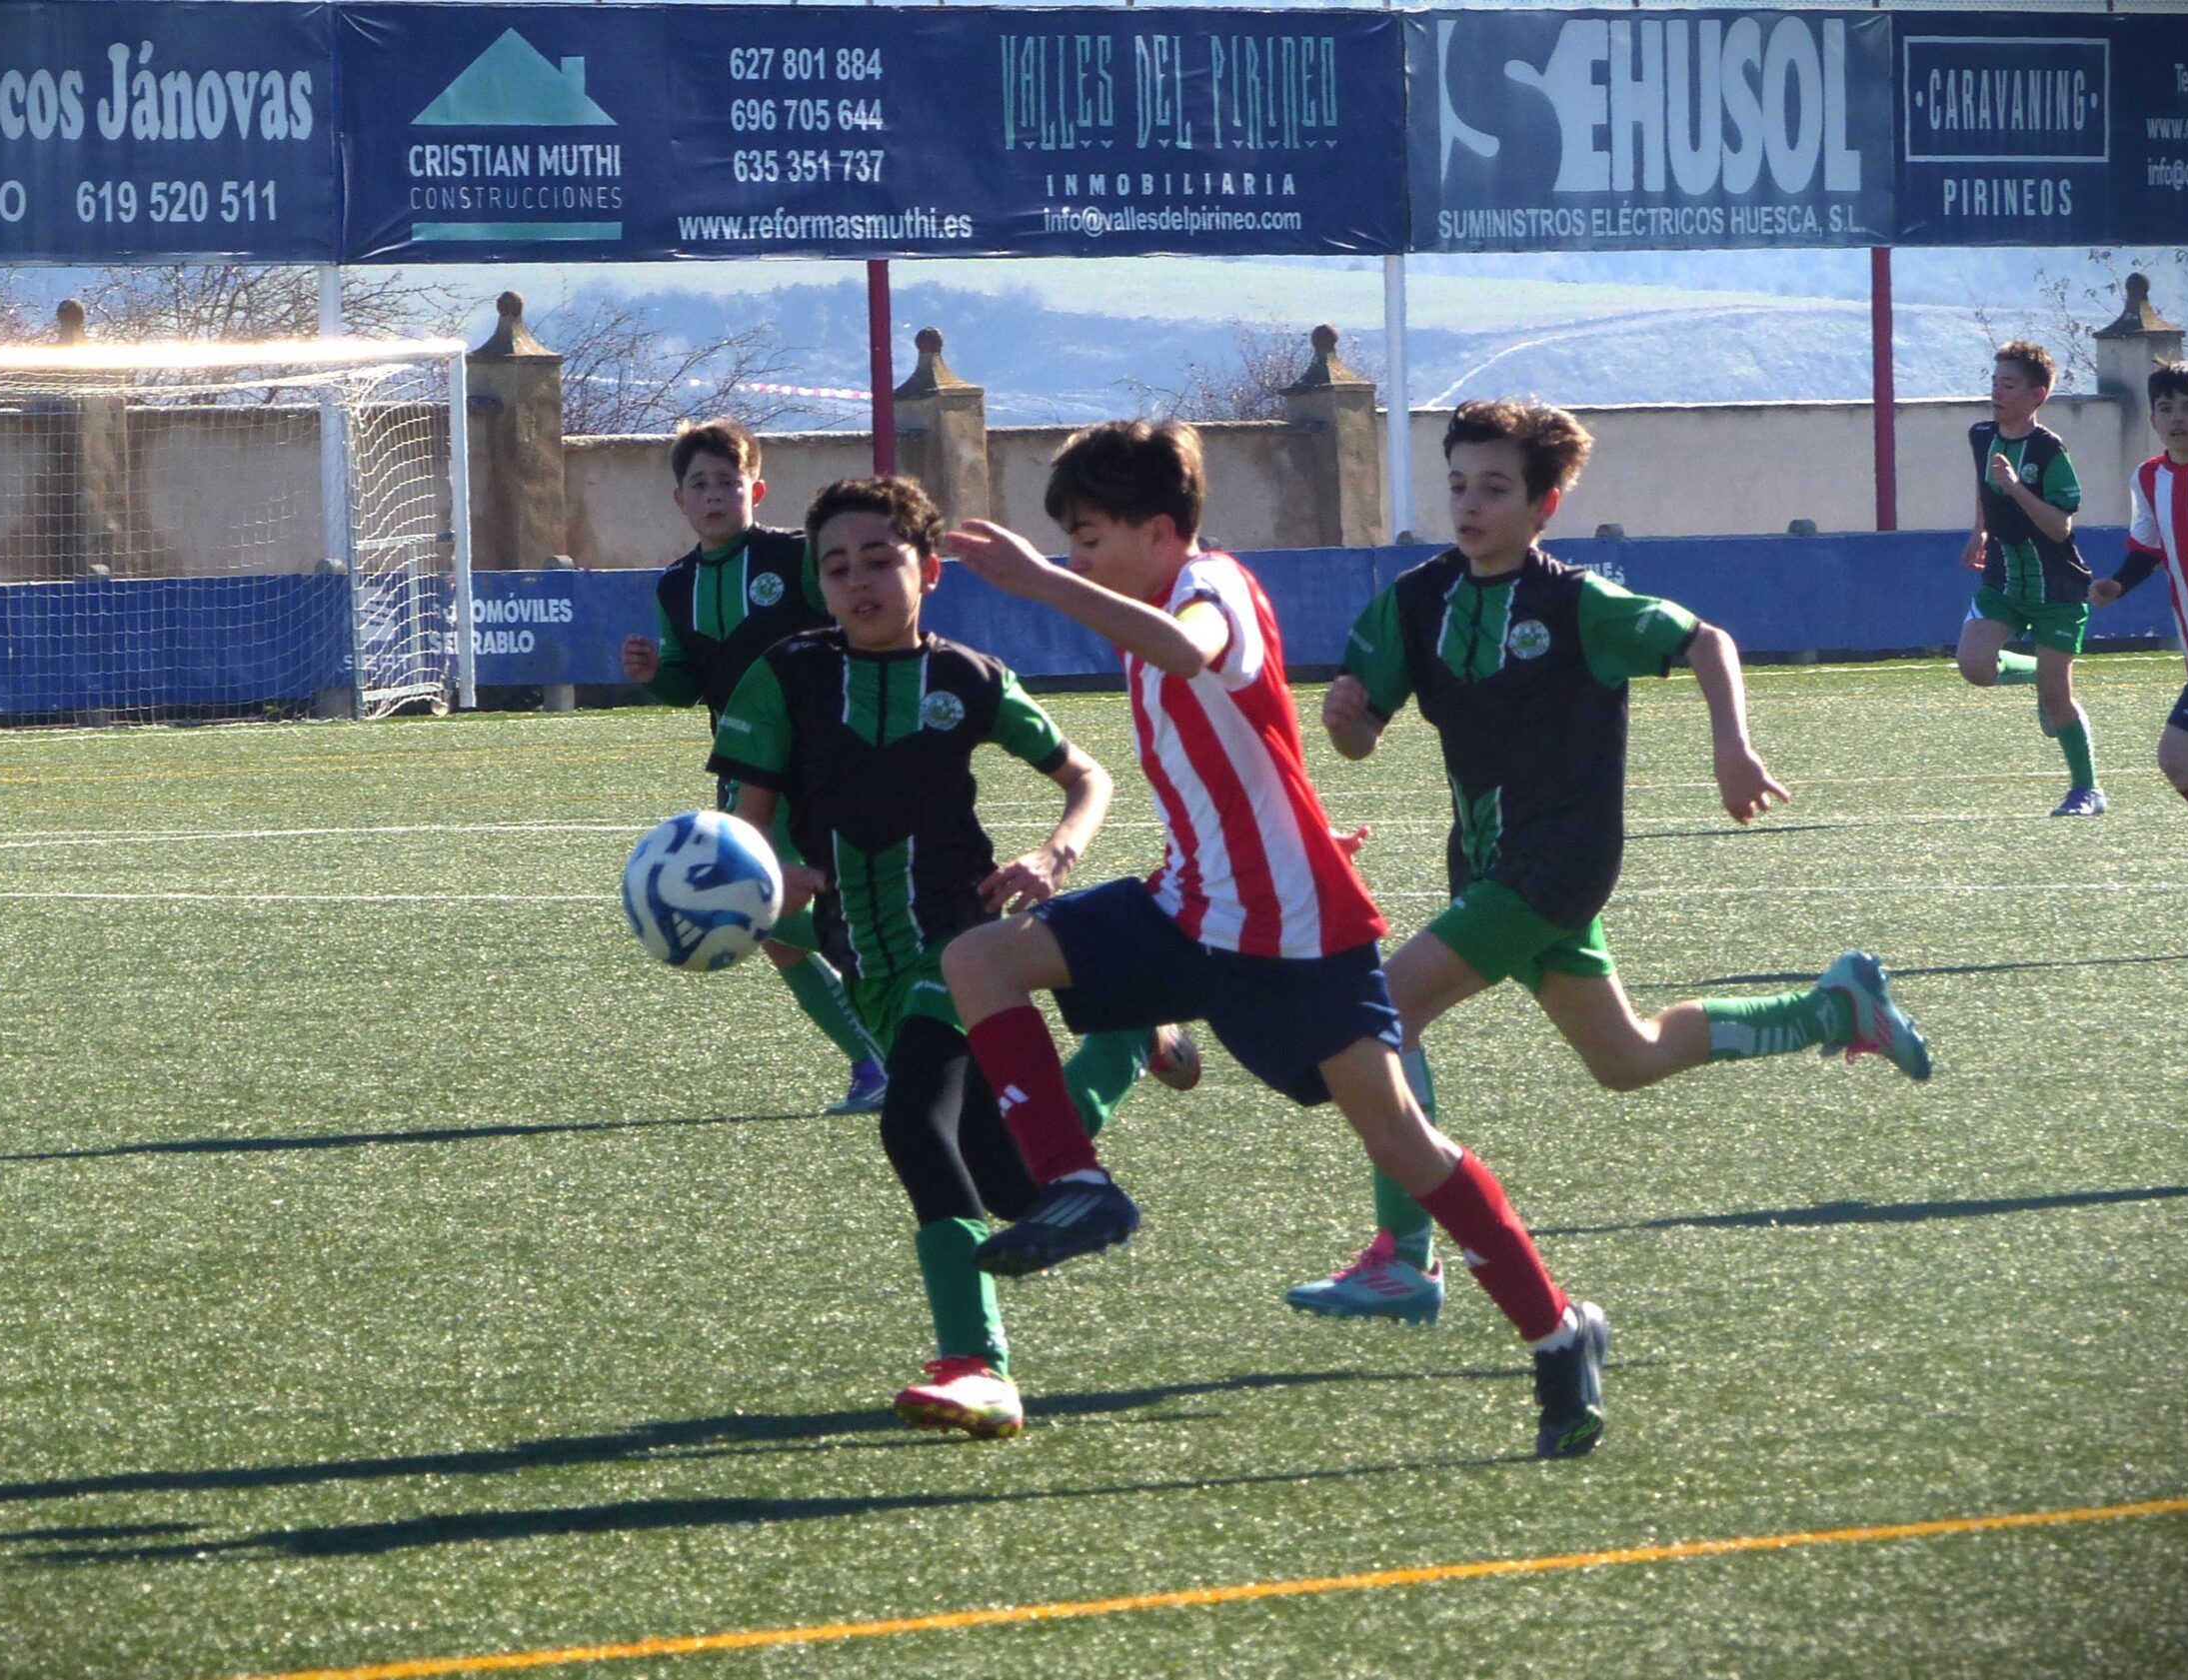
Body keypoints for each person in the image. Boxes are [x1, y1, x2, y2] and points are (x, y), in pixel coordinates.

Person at [939, 419, 1612, 1460]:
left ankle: (1559, 1329)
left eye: (1090, 536)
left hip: (1296, 934)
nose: (1076, 557)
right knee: (979, 958)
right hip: (1191, 906)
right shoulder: (1153, 591)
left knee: (1401, 1144)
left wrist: (1039, 584)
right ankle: (1077, 1183)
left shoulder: (1211, 592)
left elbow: (1188, 650)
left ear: (1160, 533)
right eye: (1067, 542)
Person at [1283, 399, 1933, 1330]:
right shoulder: (1415, 601)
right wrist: (1347, 723)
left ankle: (1404, 1257)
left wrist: (1732, 748)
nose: (1470, 505)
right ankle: (1834, 1008)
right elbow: (1361, 741)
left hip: (1559, 862)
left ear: (1545, 503)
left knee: (1381, 1012)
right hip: (1489, 863)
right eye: (1459, 484)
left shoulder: (1577, 601)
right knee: (1626, 1056)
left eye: (1496, 489)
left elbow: (1707, 640)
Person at [711, 475, 1191, 1440]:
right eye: (836, 565)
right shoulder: (786, 676)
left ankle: (980, 1364)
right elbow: (742, 829)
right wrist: (772, 877)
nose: (858, 581)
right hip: (869, 963)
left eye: (880, 559)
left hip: (961, 942)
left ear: (929, 571)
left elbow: (1087, 774)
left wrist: (1056, 853)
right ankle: (1126, 1036)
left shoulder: (968, 677)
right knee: (1014, 1186)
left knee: (910, 1120)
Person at [620, 420, 889, 1114]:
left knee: (778, 913)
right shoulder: (675, 586)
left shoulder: (795, 557)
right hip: (743, 772)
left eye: (729, 482)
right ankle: (873, 1060)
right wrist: (655, 675)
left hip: (821, 764)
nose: (715, 496)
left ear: (756, 490)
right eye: (701, 485)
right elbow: (689, 685)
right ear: (679, 499)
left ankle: (902, 1040)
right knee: (777, 936)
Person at [1956, 341, 2104, 817]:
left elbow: (2061, 527)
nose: (1997, 391)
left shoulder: (2049, 450)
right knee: (1974, 666)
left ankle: (2088, 790)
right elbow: (1985, 487)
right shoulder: (1982, 435)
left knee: (2058, 699)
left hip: (2057, 587)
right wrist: (1979, 531)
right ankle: (2039, 673)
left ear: (2037, 395)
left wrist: (2017, 489)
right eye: (1995, 381)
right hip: (2004, 575)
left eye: (2009, 383)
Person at [2089, 360, 2188, 842]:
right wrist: (2117, 584)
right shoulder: (2148, 477)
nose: (2178, 417)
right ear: (2153, 421)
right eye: (2167, 408)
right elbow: (2148, 547)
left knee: (2176, 754)